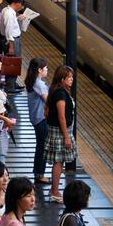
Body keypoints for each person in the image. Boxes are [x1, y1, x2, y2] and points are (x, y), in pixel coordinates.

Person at [45, 65, 77, 204]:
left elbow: (47, 112)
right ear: (62, 78)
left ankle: (54, 189)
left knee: (59, 161)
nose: (72, 80)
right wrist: (66, 137)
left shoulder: (58, 90)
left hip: (58, 130)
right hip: (60, 132)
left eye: (72, 77)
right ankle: (54, 191)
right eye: (69, 77)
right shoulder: (60, 94)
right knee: (58, 162)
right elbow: (61, 116)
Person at [25, 57, 49, 182]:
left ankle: (38, 173)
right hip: (40, 118)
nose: (47, 70)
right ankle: (40, 174)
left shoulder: (34, 81)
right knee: (42, 146)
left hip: (36, 117)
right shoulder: (39, 84)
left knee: (41, 145)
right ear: (39, 70)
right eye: (45, 68)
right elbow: (47, 100)